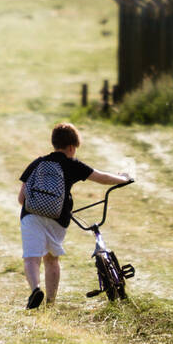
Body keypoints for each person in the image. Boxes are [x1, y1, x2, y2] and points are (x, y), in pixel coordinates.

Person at [18, 122, 130, 309]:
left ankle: (35, 290)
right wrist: (124, 178)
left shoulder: (37, 163)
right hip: (58, 218)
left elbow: (21, 198)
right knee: (52, 259)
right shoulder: (71, 164)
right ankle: (51, 303)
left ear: (54, 144)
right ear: (71, 147)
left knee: (31, 257)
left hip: (31, 216)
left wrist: (37, 208)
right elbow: (101, 177)